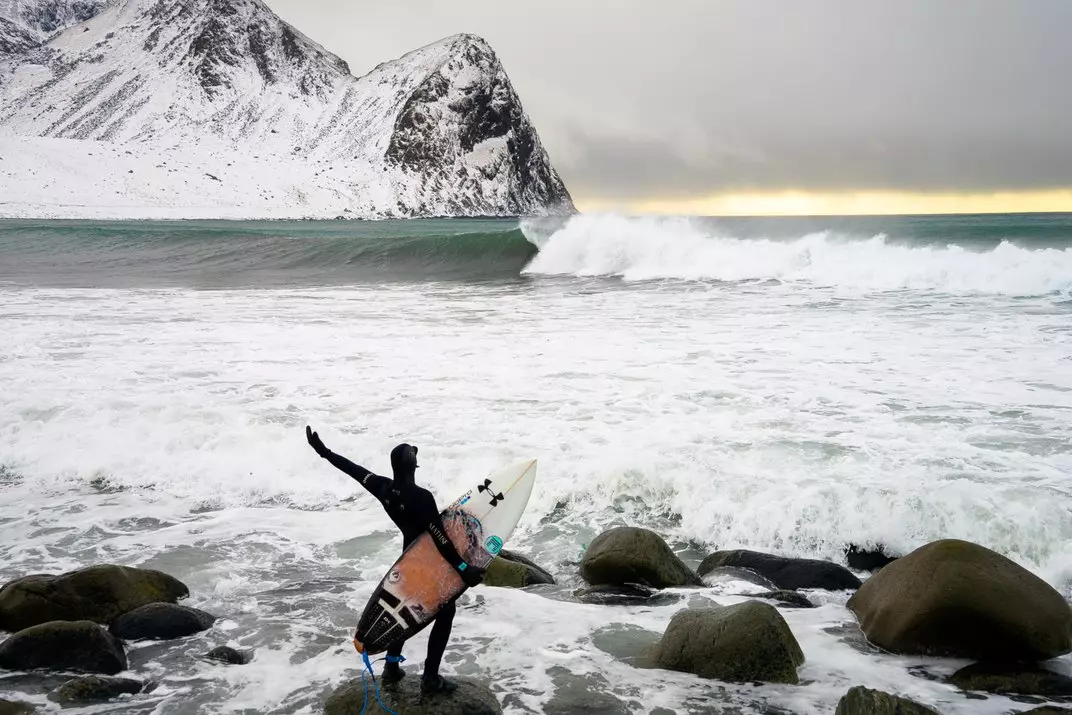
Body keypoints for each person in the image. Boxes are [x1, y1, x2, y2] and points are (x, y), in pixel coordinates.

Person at [305, 426, 484, 695]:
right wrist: (463, 568)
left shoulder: (383, 487)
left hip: (406, 560)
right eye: (413, 452)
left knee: (405, 611)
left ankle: (390, 667)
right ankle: (431, 678)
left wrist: (324, 452)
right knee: (445, 612)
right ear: (413, 464)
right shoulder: (422, 497)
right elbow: (439, 538)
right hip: (429, 562)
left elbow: (353, 470)